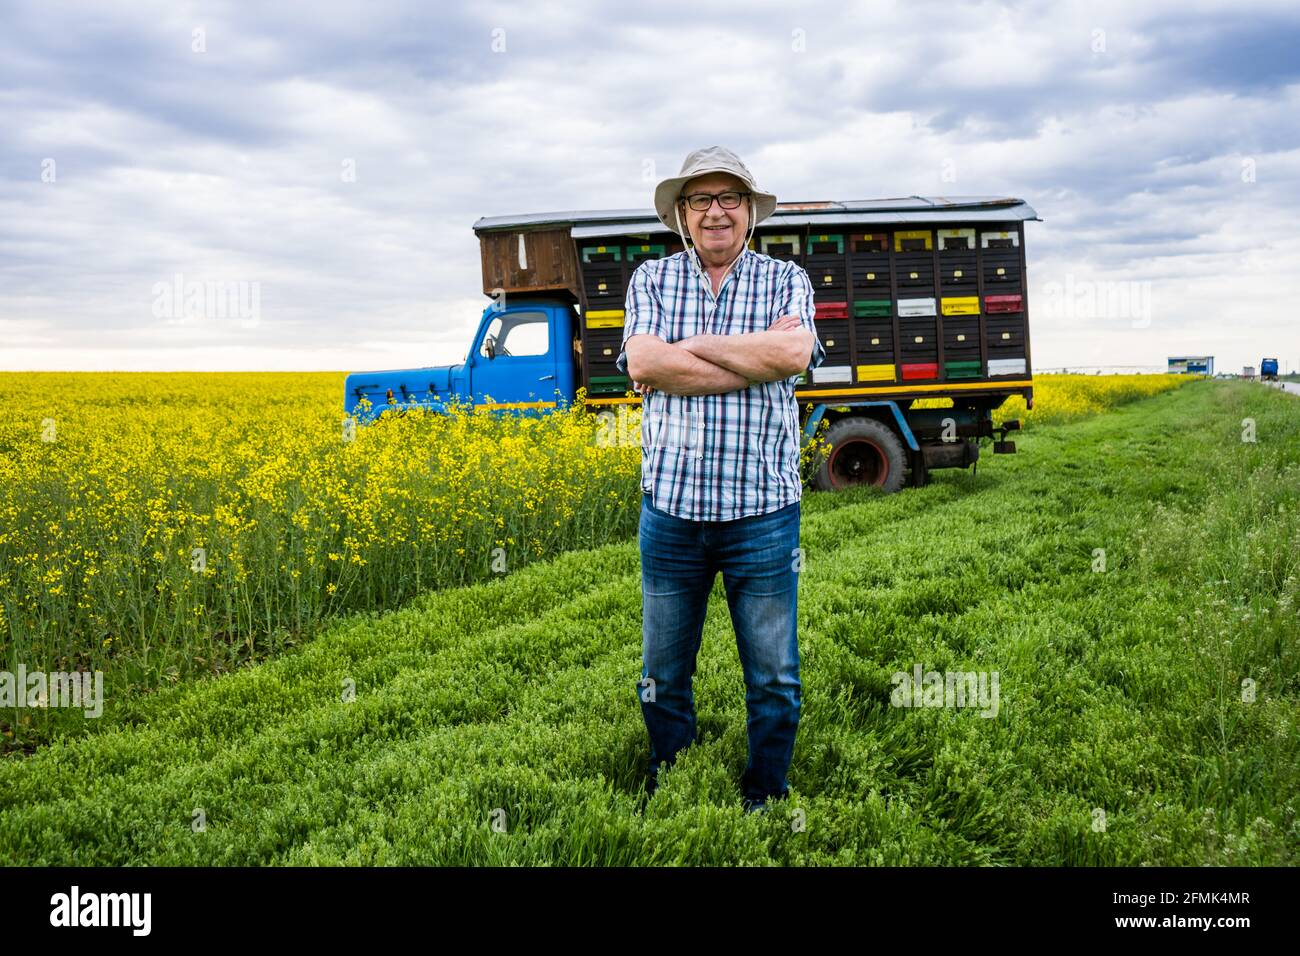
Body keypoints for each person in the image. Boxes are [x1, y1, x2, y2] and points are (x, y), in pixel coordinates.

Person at [615, 146, 826, 813]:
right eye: (701, 200)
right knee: (662, 673)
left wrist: (692, 349)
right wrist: (747, 356)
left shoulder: (785, 280)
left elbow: (792, 353)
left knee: (774, 676)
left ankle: (766, 792)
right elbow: (643, 361)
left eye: (729, 198)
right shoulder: (650, 280)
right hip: (671, 514)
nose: (715, 212)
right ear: (682, 214)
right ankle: (670, 776)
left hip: (762, 514)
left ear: (750, 212)